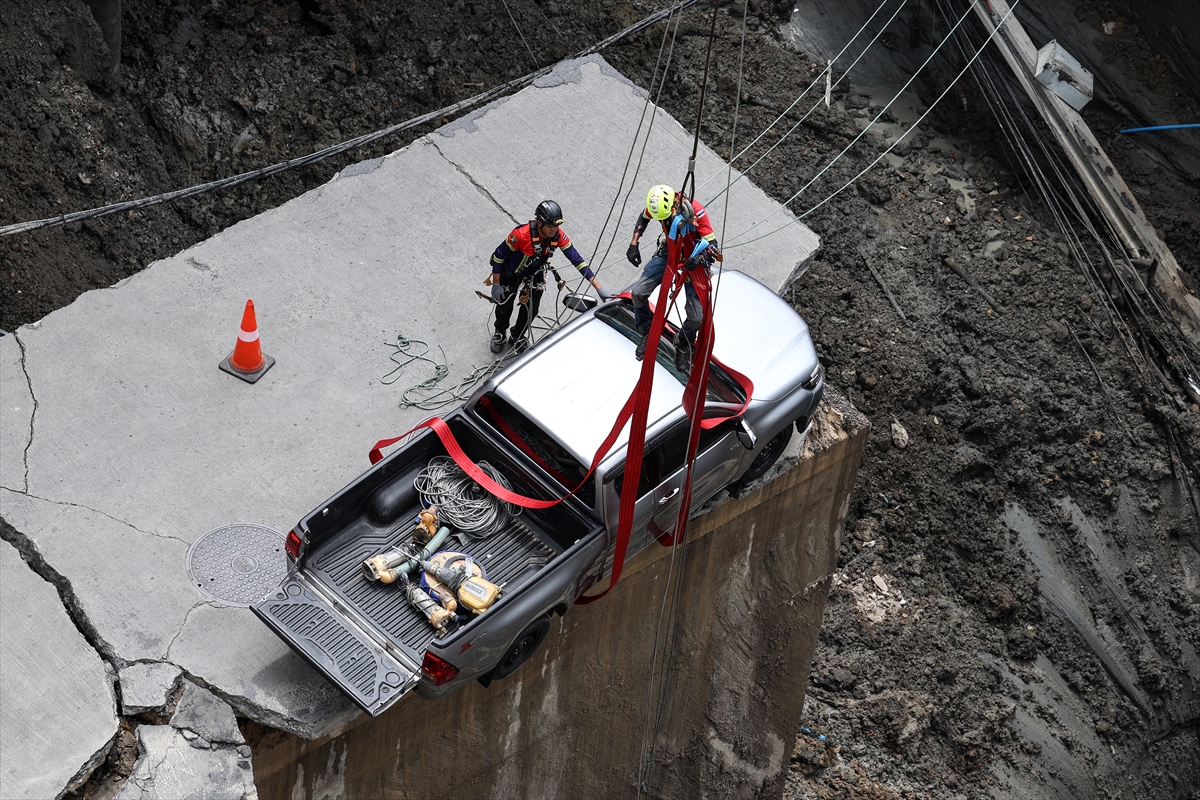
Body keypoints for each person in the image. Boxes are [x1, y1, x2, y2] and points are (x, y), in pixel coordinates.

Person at [488, 200, 614, 354]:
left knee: (532, 308)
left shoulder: (557, 235)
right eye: (551, 226)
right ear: (539, 223)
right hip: (510, 272)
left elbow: (577, 260)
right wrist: (496, 283)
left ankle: (517, 336)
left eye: (557, 225)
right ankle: (499, 332)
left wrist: (599, 287)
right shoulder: (520, 235)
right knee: (504, 305)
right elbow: (498, 257)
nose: (555, 229)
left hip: (534, 272)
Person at [625, 184, 719, 372]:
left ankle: (684, 342)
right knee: (638, 292)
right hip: (671, 249)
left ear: (674, 204)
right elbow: (644, 217)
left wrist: (699, 259)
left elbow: (713, 246)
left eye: (667, 216)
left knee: (696, 317)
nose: (665, 219)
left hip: (694, 259)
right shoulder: (659, 206)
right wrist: (634, 242)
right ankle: (648, 329)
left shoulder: (696, 212)